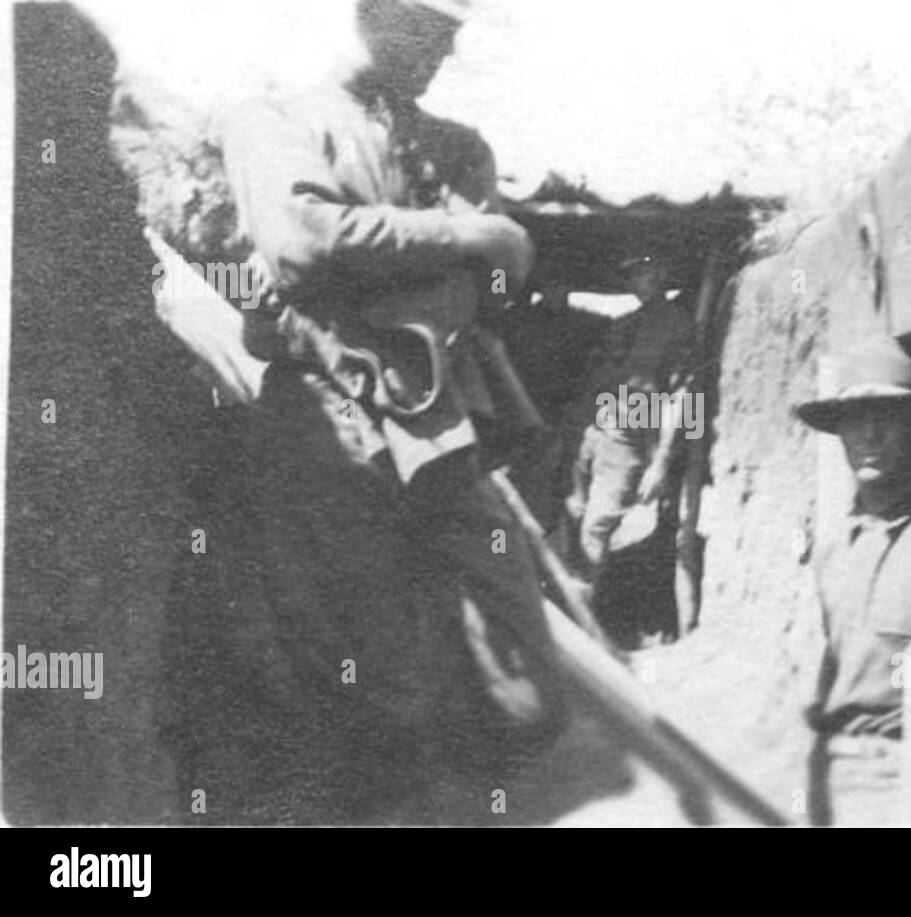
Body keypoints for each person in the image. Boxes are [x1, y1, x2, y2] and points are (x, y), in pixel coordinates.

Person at [218, 0, 567, 818]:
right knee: (362, 665)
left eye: (447, 38)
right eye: (419, 28)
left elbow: (490, 289)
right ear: (368, 17)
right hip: (327, 417)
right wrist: (469, 236)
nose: (435, 53)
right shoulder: (272, 121)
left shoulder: (451, 147)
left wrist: (469, 245)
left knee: (527, 678)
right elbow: (305, 243)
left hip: (439, 421)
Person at [794, 333, 911, 826]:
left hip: (902, 773)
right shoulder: (831, 549)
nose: (870, 435)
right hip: (823, 769)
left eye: (887, 418)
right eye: (856, 420)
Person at [567, 254, 696, 628]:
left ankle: (584, 629)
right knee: (572, 515)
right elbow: (601, 379)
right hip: (599, 430)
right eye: (634, 273)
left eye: (648, 271)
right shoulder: (623, 324)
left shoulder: (678, 326)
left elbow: (682, 398)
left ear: (663, 275)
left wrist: (661, 462)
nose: (640, 279)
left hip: (632, 437)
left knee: (596, 526)